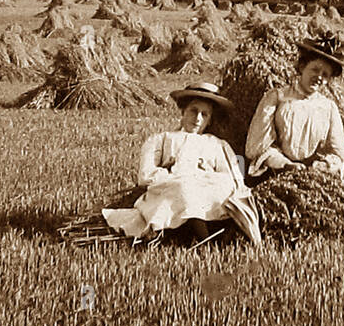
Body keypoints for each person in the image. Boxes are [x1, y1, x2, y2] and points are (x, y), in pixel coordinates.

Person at [102, 83, 259, 243]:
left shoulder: (218, 145)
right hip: (171, 190)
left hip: (208, 189)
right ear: (183, 112)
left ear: (210, 120)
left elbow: (232, 178)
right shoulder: (161, 139)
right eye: (194, 111)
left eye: (204, 115)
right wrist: (171, 174)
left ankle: (206, 234)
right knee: (185, 189)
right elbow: (145, 175)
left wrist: (205, 176)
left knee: (216, 190)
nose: (198, 118)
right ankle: (204, 241)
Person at [245, 33, 344, 183]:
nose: (319, 77)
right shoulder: (277, 97)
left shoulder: (328, 107)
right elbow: (258, 145)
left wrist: (323, 165)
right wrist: (285, 164)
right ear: (302, 67)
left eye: (325, 74)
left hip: (314, 176)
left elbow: (339, 150)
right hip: (275, 172)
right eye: (315, 69)